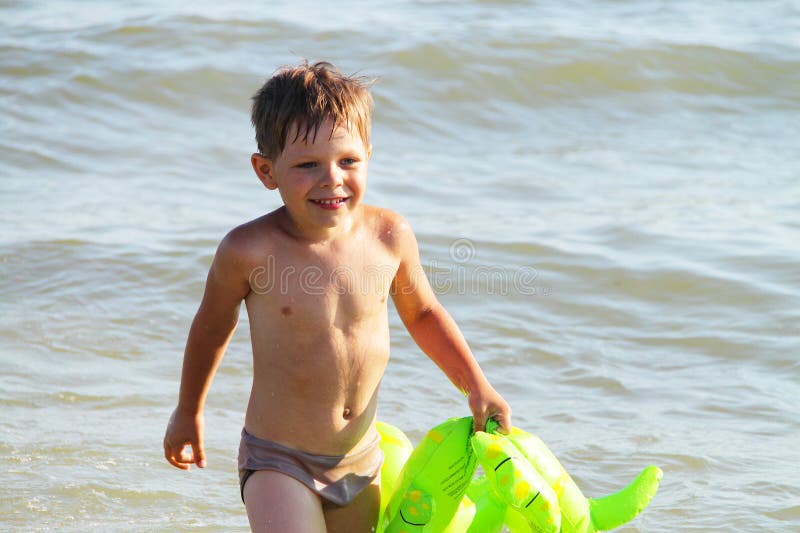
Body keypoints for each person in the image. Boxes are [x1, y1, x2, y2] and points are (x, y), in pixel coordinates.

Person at [163, 60, 512, 533]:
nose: (331, 178)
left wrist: (477, 386)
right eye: (307, 165)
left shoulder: (389, 235)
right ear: (266, 171)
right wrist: (189, 410)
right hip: (278, 459)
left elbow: (424, 313)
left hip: (359, 458)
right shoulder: (249, 250)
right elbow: (210, 327)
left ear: (368, 154)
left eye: (347, 160)